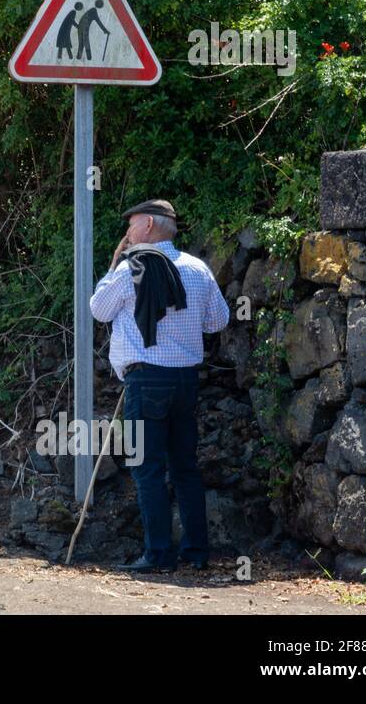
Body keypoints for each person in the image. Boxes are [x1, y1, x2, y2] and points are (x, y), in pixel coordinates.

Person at [88, 200, 230, 573]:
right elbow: (218, 321)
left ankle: (158, 555)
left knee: (146, 467)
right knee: (185, 466)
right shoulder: (198, 268)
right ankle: (196, 553)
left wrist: (116, 261)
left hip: (147, 380)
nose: (128, 233)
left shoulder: (130, 267)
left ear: (148, 225)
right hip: (186, 380)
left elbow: (99, 310)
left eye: (131, 225)